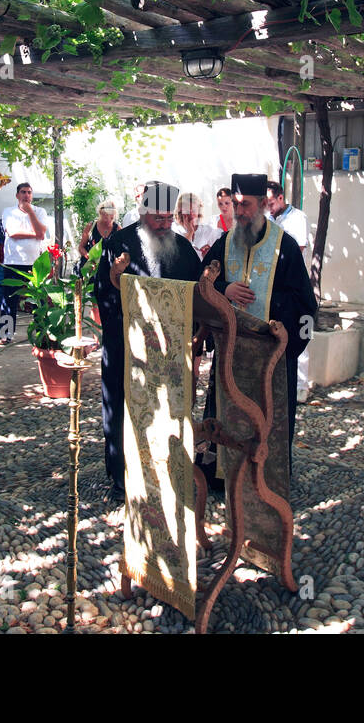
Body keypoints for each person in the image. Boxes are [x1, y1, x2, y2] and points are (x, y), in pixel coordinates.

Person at [94, 180, 204, 503]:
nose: (165, 225)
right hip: (127, 349)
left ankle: (166, 473)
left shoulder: (182, 249)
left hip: (168, 353)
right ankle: (120, 479)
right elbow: (100, 292)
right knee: (121, 410)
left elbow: (198, 293)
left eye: (169, 218)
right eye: (158, 218)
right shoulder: (118, 244)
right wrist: (114, 281)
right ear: (143, 213)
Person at [202, 173, 318, 472]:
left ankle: (269, 475)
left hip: (271, 354)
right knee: (229, 413)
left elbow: (304, 302)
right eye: (237, 205)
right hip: (232, 351)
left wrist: (269, 305)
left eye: (247, 205)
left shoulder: (286, 247)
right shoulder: (225, 243)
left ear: (265, 204)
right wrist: (224, 288)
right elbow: (201, 283)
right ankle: (224, 474)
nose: (240, 212)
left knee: (269, 416)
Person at [0, 182, 48, 345]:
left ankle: (41, 333)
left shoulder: (40, 212)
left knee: (38, 300)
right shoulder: (8, 212)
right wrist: (35, 234)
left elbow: (41, 233)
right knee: (9, 300)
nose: (26, 195)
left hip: (34, 263)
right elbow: (12, 233)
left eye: (29, 192)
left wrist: (31, 212)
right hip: (13, 262)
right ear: (17, 195)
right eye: (23, 192)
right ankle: (5, 334)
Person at [265, 180, 310, 254]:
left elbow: (298, 251)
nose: (268, 208)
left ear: (280, 198)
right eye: (265, 204)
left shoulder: (299, 218)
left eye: (271, 204)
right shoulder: (266, 217)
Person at [174, 191, 220, 259]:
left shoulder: (209, 231)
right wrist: (189, 233)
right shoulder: (175, 231)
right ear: (180, 211)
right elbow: (179, 258)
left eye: (194, 211)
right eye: (187, 211)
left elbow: (216, 259)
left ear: (198, 211)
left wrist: (209, 255)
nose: (191, 215)